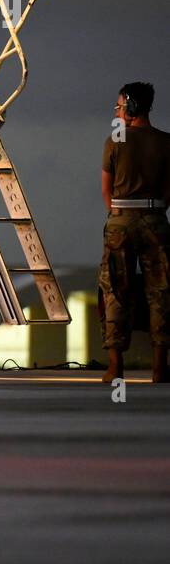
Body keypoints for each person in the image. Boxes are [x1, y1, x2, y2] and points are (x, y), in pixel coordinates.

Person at [98, 82, 170, 384]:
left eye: (119, 106)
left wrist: (118, 215)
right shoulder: (166, 142)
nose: (117, 112)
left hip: (121, 221)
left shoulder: (115, 140)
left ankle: (115, 367)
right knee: (161, 292)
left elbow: (106, 188)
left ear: (130, 106)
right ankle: (159, 368)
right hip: (155, 220)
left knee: (115, 290)